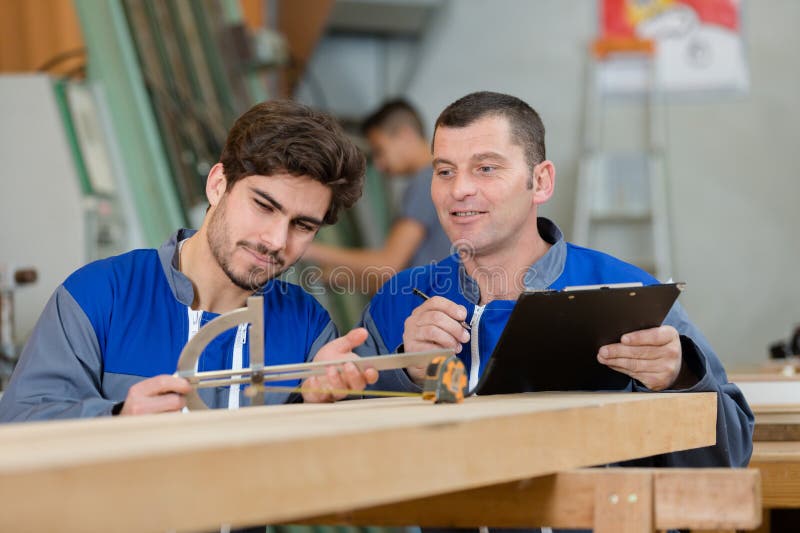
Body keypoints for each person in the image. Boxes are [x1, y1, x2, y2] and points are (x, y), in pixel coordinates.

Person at [356, 91, 754, 471]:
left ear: (541, 182)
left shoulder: (628, 295)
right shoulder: (398, 300)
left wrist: (679, 378)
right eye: (444, 171)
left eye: (486, 168)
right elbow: (345, 453)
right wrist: (406, 373)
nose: (459, 189)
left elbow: (730, 454)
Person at [0, 100, 379, 421]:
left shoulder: (309, 328)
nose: (276, 241)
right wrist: (116, 416)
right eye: (264, 206)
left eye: (302, 225)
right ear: (218, 185)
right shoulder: (99, 296)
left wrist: (318, 408)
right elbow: (20, 421)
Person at [304, 99, 451, 291]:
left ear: (405, 134)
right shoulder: (440, 177)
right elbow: (401, 275)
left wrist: (306, 249)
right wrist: (339, 276)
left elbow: (387, 266)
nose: (380, 165)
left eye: (380, 151)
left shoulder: (427, 182)